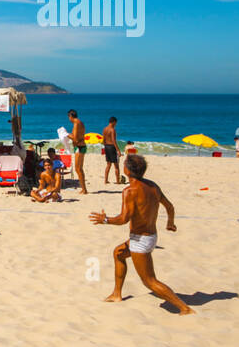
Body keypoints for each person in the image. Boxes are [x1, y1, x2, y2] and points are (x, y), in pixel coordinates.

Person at [89, 154, 193, 315]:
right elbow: (170, 206)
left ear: (127, 171)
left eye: (124, 164)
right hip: (150, 236)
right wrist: (170, 223)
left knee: (149, 281)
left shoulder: (129, 191)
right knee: (119, 253)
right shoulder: (153, 186)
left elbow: (124, 219)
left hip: (141, 240)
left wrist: (105, 220)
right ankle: (117, 294)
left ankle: (184, 308)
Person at [67, 109, 88, 194]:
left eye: (69, 117)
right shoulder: (80, 123)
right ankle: (84, 189)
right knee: (80, 169)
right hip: (81, 146)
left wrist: (66, 135)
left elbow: (75, 139)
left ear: (70, 116)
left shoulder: (76, 124)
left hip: (79, 147)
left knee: (78, 169)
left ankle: (84, 189)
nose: (69, 119)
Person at [101, 117, 124, 185]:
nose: (116, 124)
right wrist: (118, 150)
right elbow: (114, 141)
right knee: (116, 165)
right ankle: (117, 181)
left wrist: (105, 147)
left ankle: (106, 180)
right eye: (116, 123)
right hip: (111, 147)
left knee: (108, 164)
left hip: (106, 146)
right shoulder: (112, 130)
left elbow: (103, 140)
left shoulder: (105, 129)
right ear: (113, 122)